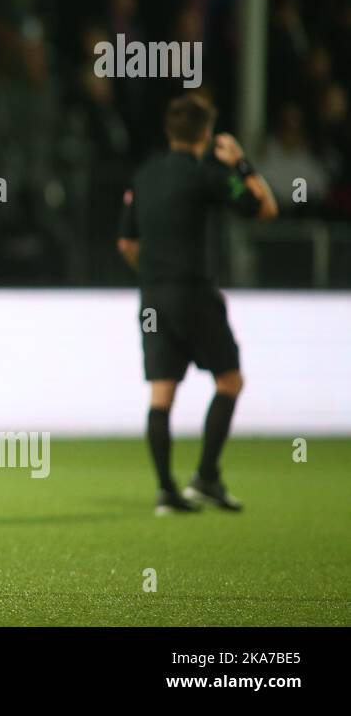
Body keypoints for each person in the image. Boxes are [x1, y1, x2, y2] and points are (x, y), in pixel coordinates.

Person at [117, 93, 278, 516]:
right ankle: (206, 477)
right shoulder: (206, 174)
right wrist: (240, 164)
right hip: (193, 293)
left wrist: (153, 276)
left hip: (152, 299)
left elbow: (126, 242)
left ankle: (165, 492)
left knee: (161, 393)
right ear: (205, 134)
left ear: (170, 131)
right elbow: (264, 207)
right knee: (229, 381)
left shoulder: (144, 175)